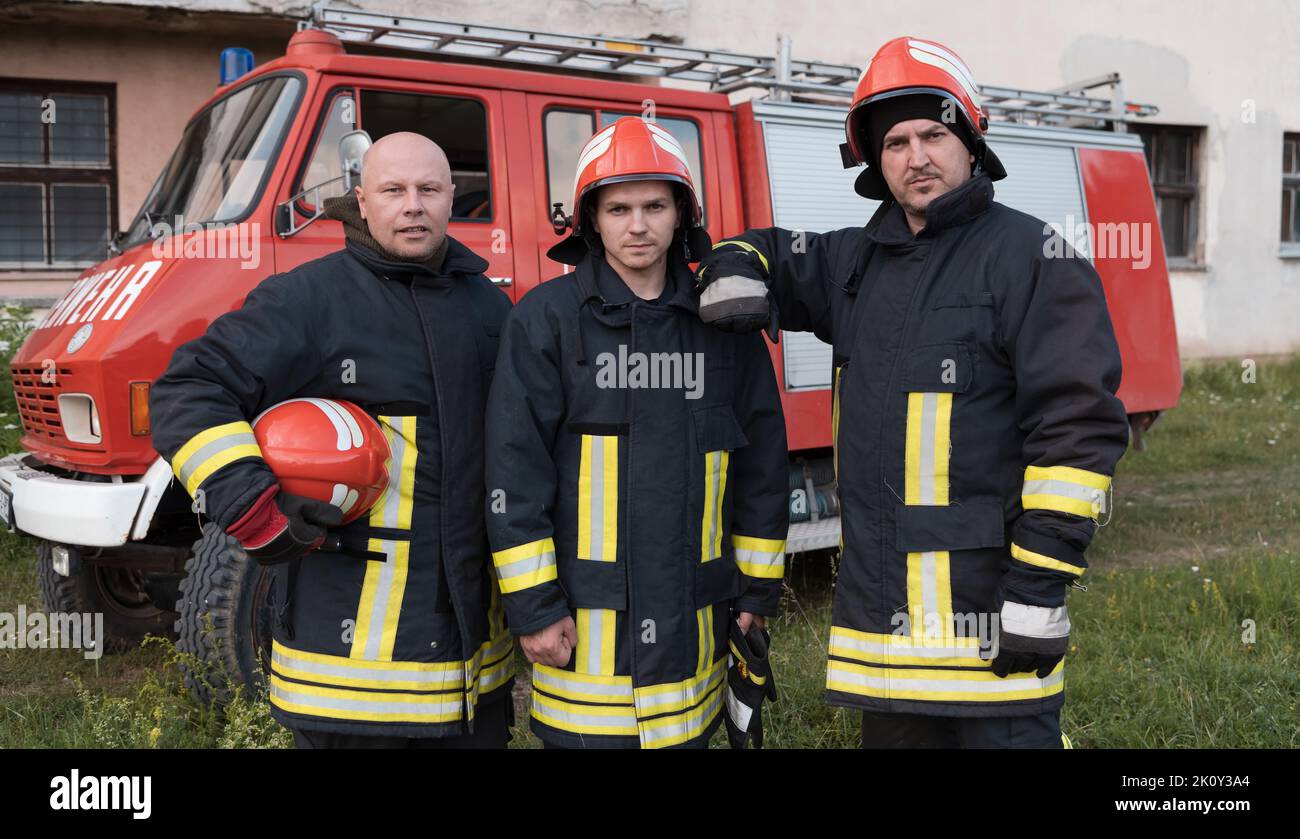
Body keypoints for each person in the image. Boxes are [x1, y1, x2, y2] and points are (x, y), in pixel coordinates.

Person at [694, 38, 1130, 748]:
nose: (915, 155)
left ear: (969, 138)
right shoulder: (853, 262)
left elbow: (1078, 431)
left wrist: (1040, 583)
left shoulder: (1032, 257)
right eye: (895, 142)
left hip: (994, 633)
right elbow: (770, 251)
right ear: (874, 160)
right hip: (888, 651)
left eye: (933, 133)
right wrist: (736, 263)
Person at [151, 132, 514, 748]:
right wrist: (250, 507)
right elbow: (188, 389)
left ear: (454, 198)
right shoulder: (308, 298)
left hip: (470, 673)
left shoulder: (488, 308)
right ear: (362, 202)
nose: (413, 205)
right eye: (393, 190)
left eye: (429, 189)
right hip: (346, 679)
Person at [485, 117, 788, 749]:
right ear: (591, 219)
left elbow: (761, 469)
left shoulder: (724, 325)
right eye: (618, 207)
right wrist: (536, 608)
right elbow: (515, 475)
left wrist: (758, 590)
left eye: (655, 204)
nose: (638, 225)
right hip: (589, 651)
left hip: (695, 640)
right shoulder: (546, 321)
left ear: (682, 212)